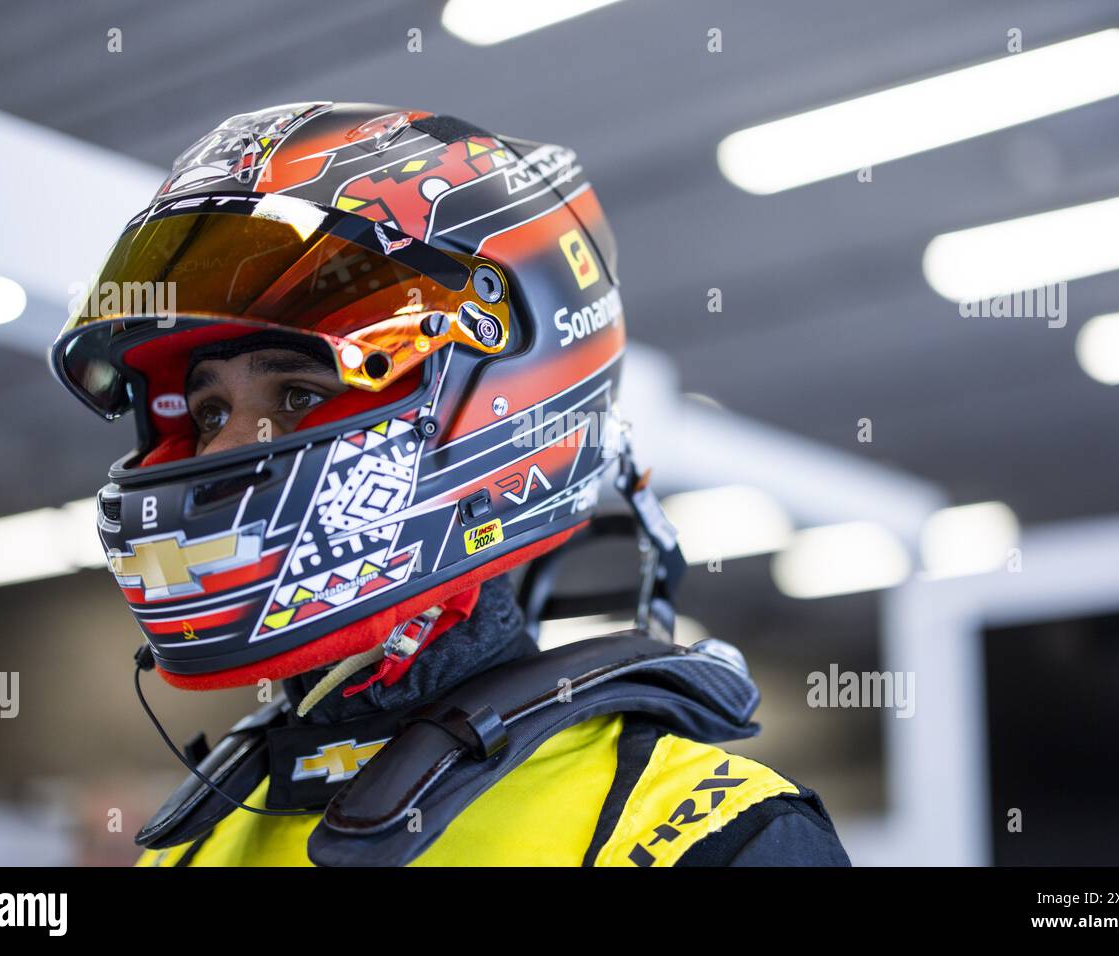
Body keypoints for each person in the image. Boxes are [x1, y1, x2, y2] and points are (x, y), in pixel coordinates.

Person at [51, 101, 851, 867]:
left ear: (500, 400)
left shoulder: (705, 836)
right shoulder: (188, 846)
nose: (222, 446)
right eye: (208, 408)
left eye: (297, 394)